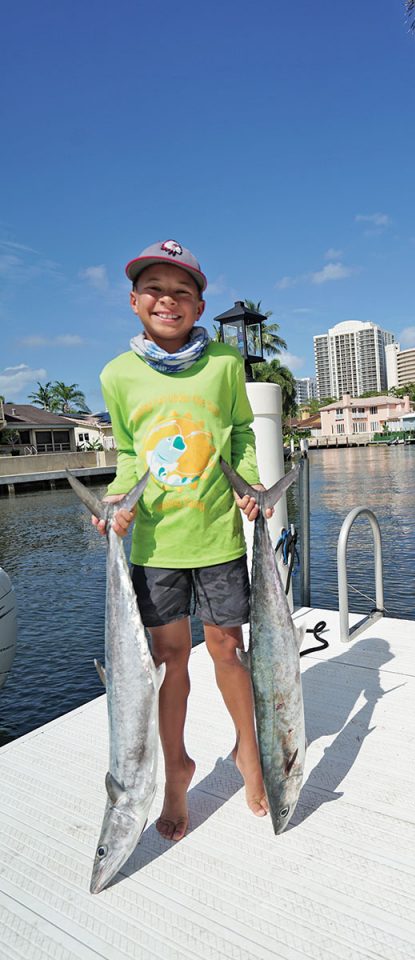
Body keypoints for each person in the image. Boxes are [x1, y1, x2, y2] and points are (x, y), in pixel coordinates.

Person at [95, 239, 271, 841]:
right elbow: (126, 454)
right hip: (153, 547)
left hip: (218, 536)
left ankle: (249, 752)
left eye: (181, 291)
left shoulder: (224, 364)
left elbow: (243, 435)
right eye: (154, 289)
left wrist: (247, 482)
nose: (166, 300)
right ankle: (177, 773)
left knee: (228, 649)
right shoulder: (116, 374)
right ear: (133, 300)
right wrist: (118, 502)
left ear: (199, 304)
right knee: (170, 662)